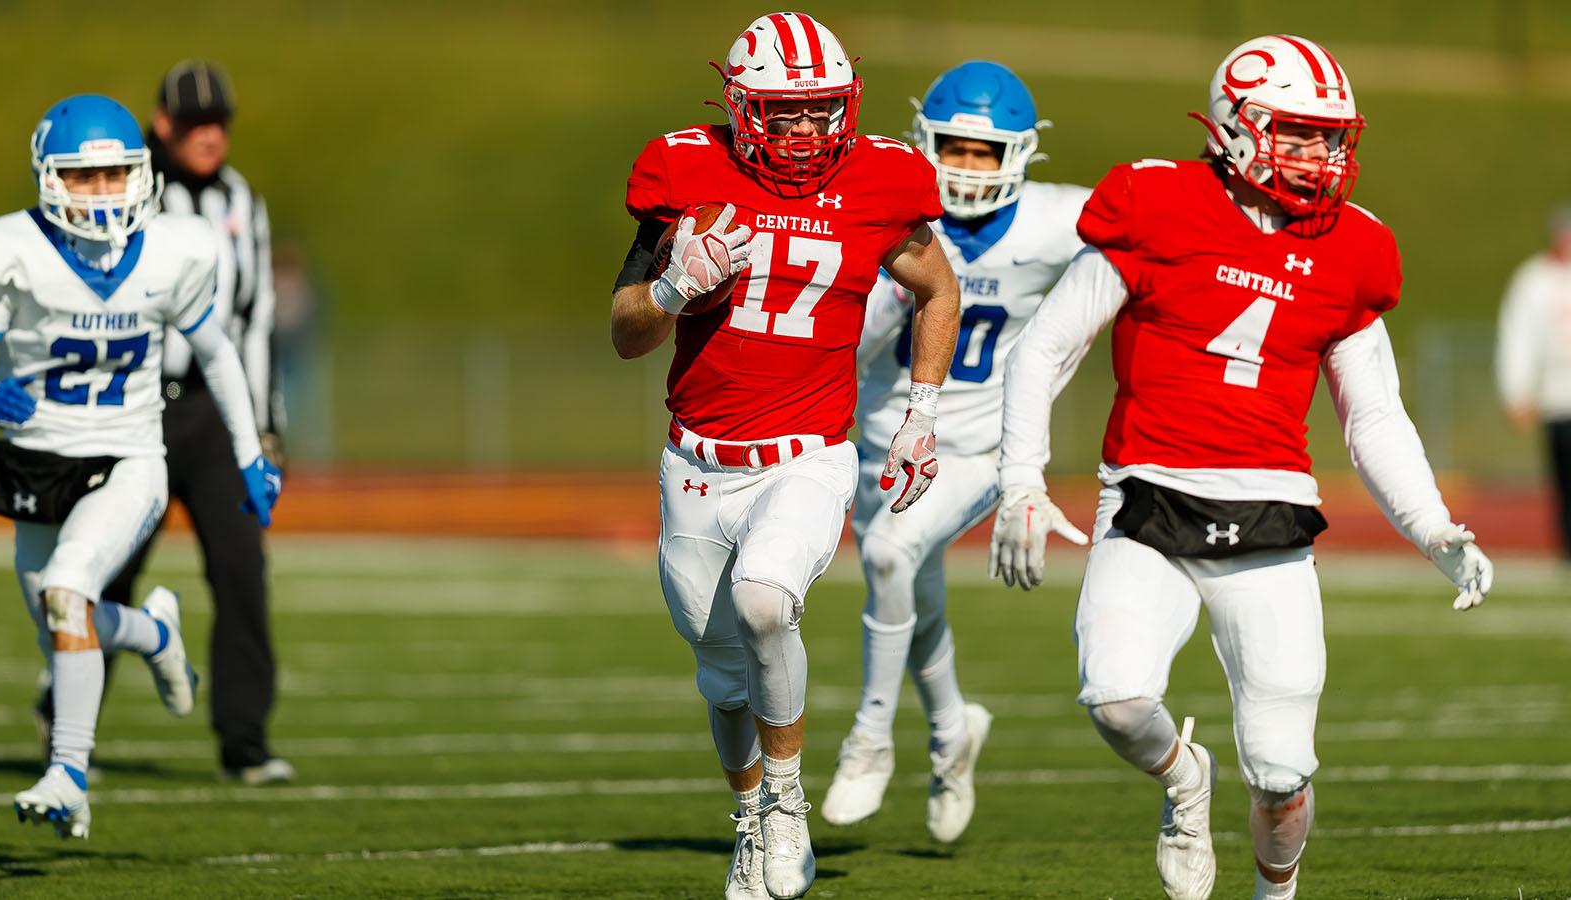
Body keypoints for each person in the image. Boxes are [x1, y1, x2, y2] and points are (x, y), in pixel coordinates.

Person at [989, 35, 1495, 900]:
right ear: (1233, 124)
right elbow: (1045, 347)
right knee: (1114, 700)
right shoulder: (1155, 202)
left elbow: (1372, 413)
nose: (1321, 157)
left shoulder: (1354, 247)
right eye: (1297, 134)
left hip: (1269, 517)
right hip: (1146, 502)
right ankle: (1186, 780)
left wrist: (1433, 525)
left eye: (1331, 138)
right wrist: (1020, 480)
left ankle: (1275, 893)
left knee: (1281, 771)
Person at [610, 12, 961, 899]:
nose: (805, 131)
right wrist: (673, 288)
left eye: (819, 111)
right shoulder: (688, 172)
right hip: (697, 462)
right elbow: (625, 332)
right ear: (739, 107)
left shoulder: (880, 179)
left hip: (808, 454)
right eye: (782, 112)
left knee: (766, 604)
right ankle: (749, 817)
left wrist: (922, 411)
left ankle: (787, 804)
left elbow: (937, 286)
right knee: (722, 677)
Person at [0, 94, 280, 839]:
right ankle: (153, 634)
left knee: (70, 591)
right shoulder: (4, 251)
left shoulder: (178, 248)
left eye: (116, 176)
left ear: (141, 174)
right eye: (83, 177)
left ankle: (68, 772)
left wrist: (249, 453)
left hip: (129, 457)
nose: (103, 193)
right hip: (38, 458)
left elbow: (218, 350)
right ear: (49, 179)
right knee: (61, 627)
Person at [821, 60, 1089, 843]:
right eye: (954, 148)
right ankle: (951, 736)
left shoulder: (1054, 222)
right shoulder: (888, 210)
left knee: (893, 558)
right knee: (915, 597)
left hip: (975, 446)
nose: (966, 168)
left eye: (984, 152)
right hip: (879, 445)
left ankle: (870, 741)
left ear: (1019, 156)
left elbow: (1155, 237)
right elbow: (851, 340)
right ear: (923, 141)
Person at [33, 60, 292, 786]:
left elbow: (257, 318)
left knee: (242, 568)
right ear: (163, 123)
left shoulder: (244, 201)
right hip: (137, 403)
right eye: (195, 121)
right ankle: (65, 715)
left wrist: (265, 427)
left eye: (221, 122)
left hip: (215, 413)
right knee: (106, 563)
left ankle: (245, 740)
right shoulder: (129, 193)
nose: (211, 135)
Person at [1496, 204, 1571, 560]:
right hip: (1558, 399)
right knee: (1565, 480)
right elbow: (1518, 338)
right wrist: (1517, 390)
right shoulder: (1534, 280)